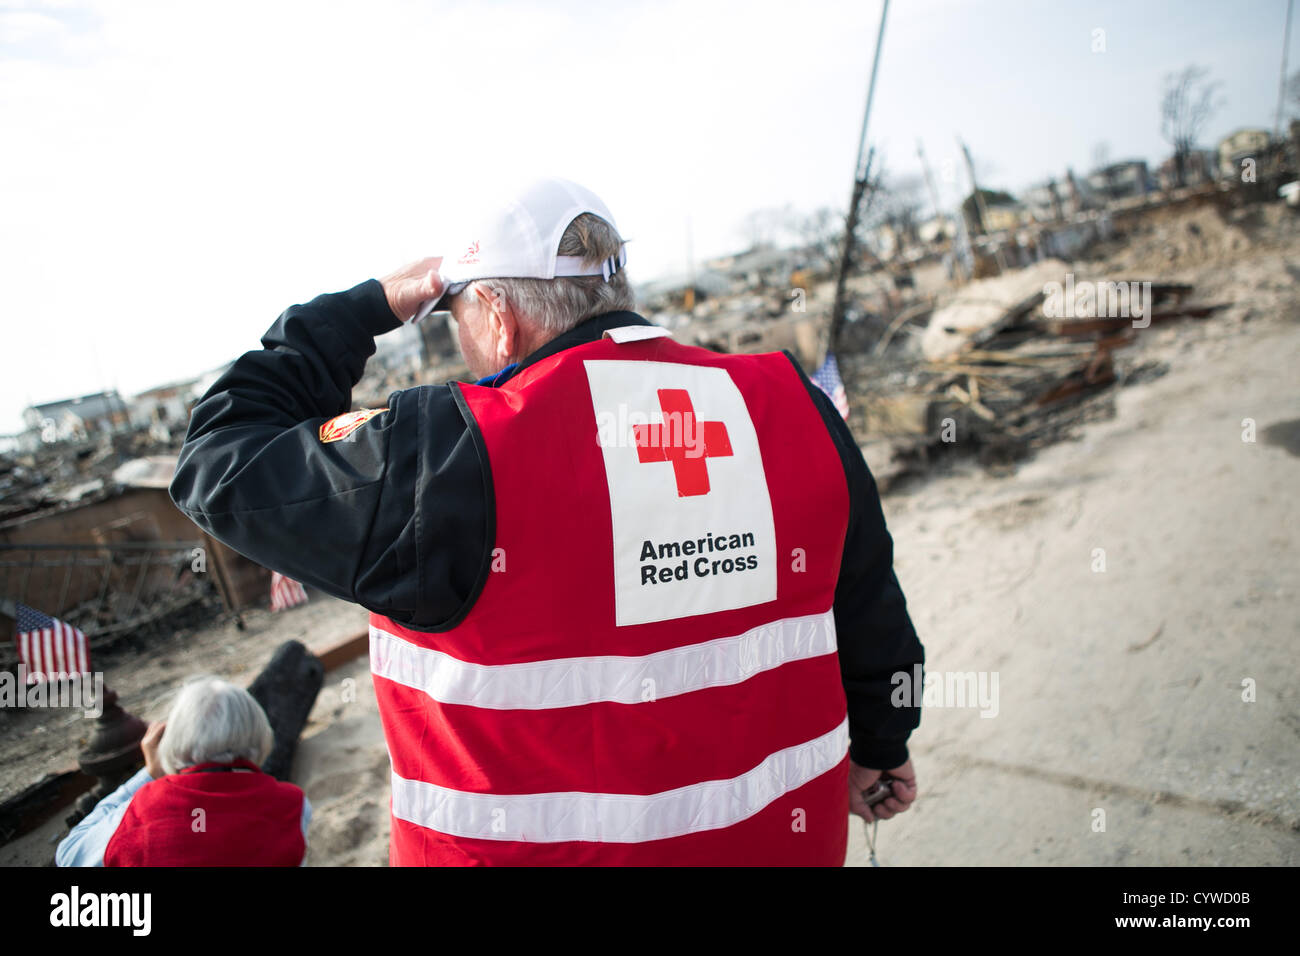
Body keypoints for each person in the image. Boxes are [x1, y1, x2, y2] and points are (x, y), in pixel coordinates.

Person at [169, 177, 924, 866]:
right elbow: (868, 603)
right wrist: (884, 745)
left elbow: (215, 459)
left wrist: (369, 305)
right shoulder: (793, 401)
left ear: (497, 317)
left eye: (455, 317)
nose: (459, 344)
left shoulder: (445, 454)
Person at [56, 676, 310, 866]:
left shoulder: (141, 809)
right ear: (258, 734)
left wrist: (147, 776)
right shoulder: (293, 805)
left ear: (175, 739)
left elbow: (69, 855)